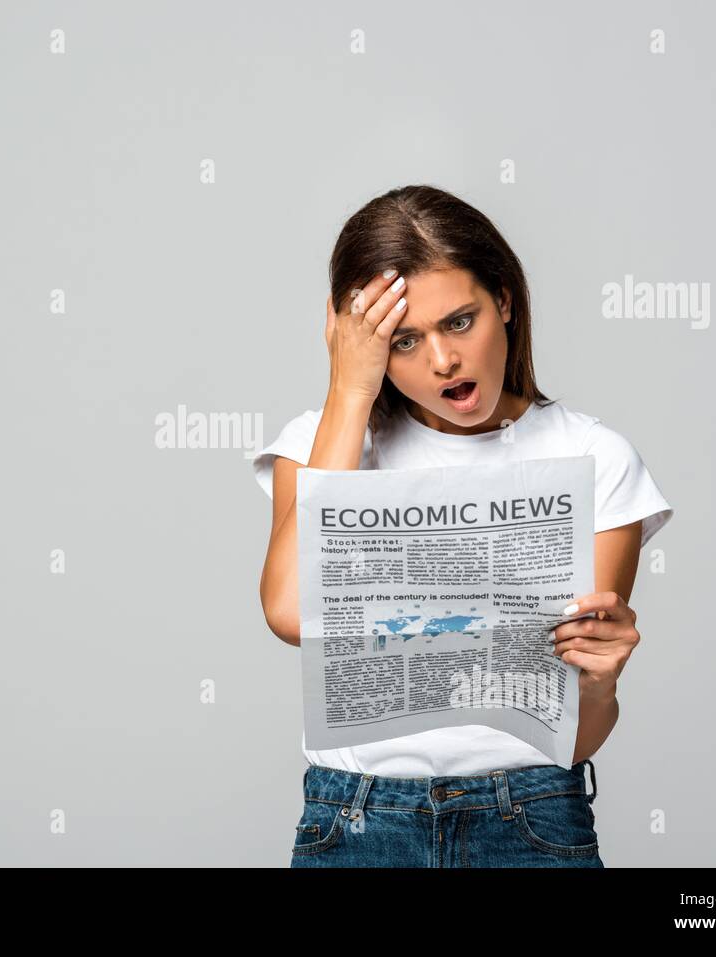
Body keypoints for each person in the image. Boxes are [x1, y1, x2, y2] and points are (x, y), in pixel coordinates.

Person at [254, 185, 674, 867]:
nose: (442, 361)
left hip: (532, 816)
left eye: (459, 321)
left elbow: (579, 734)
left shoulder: (595, 458)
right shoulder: (322, 440)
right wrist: (349, 391)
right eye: (404, 340)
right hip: (357, 819)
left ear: (504, 301)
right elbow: (292, 612)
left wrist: (599, 681)